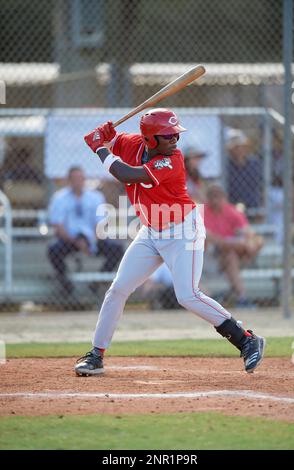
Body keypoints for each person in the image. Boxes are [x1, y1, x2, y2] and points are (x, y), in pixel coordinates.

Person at [75, 108, 265, 376]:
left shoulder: (172, 159)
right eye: (167, 135)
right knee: (117, 289)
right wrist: (103, 135)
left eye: (176, 134)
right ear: (150, 139)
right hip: (151, 231)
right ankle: (96, 355)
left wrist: (99, 148)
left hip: (182, 230)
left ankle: (246, 340)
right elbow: (108, 139)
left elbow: (127, 174)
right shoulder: (132, 143)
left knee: (187, 296)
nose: (175, 139)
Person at [48, 166, 124, 295]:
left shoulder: (95, 197)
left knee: (117, 249)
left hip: (93, 239)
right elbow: (57, 225)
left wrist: (90, 240)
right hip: (69, 240)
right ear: (69, 180)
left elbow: (101, 223)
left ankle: (97, 283)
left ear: (84, 179)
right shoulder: (59, 198)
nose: (78, 181)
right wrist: (76, 242)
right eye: (74, 179)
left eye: (80, 178)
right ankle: (66, 284)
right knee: (53, 250)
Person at [204, 184, 264, 307]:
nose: (215, 201)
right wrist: (237, 244)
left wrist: (249, 241)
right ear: (207, 199)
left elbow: (248, 232)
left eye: (218, 197)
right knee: (230, 254)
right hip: (211, 255)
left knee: (255, 242)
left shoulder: (230, 210)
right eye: (212, 197)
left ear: (224, 198)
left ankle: (242, 298)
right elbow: (214, 241)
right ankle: (242, 298)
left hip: (234, 254)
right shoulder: (202, 212)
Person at [226, 129, 263, 216]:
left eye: (242, 146)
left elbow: (261, 186)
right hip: (232, 205)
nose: (240, 150)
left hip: (253, 204)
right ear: (230, 150)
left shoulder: (254, 163)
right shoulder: (226, 166)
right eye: (236, 147)